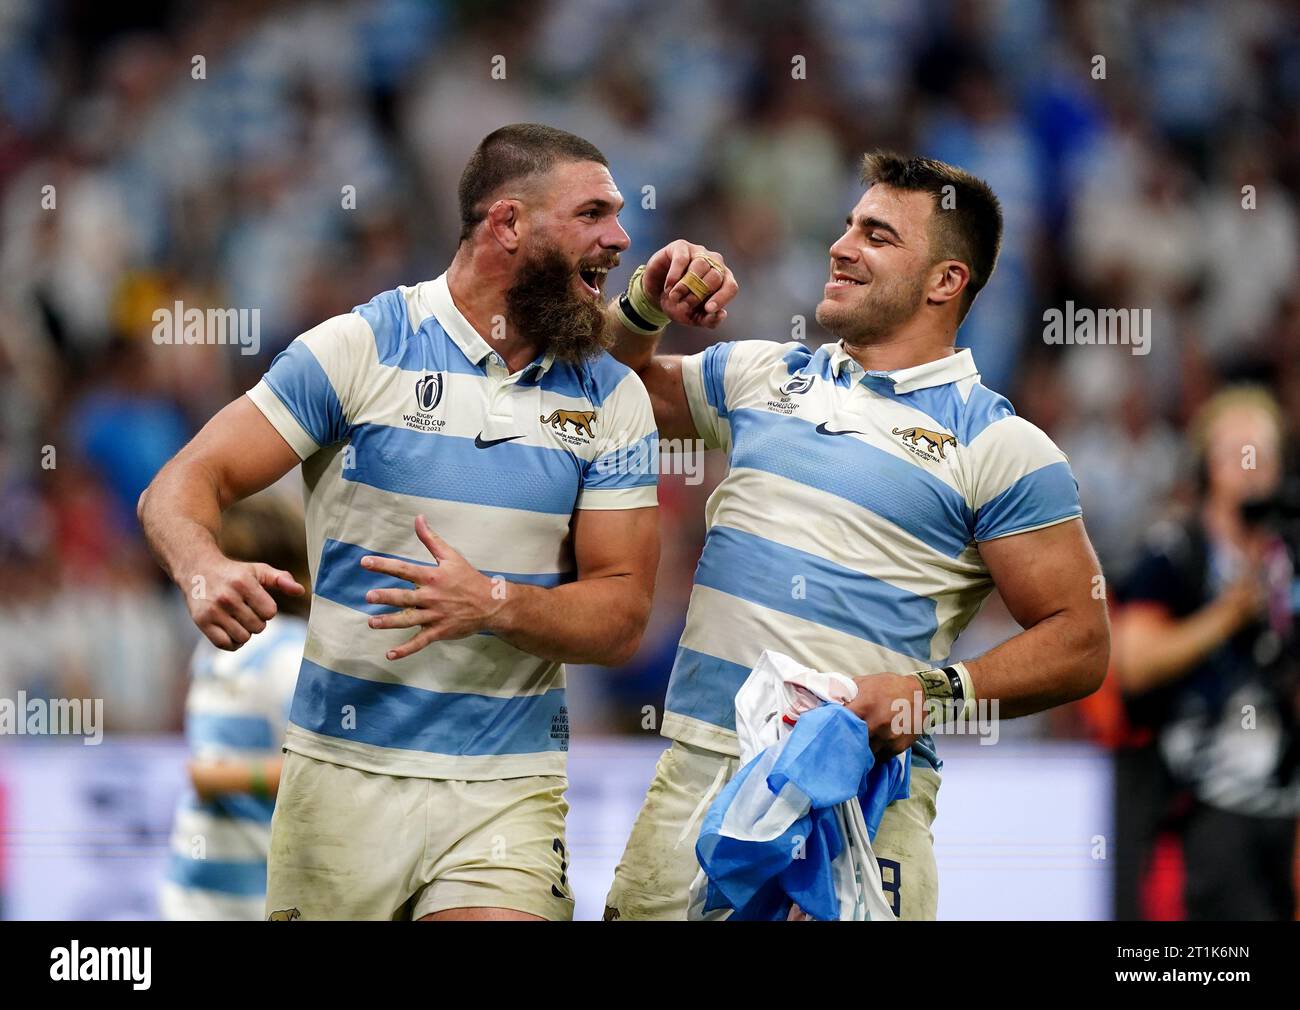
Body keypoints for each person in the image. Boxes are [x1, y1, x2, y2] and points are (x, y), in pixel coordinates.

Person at [138, 123, 724, 921]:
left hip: (504, 790)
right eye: (593, 214)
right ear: (507, 224)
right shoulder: (360, 349)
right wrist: (203, 566)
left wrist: (495, 602)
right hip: (343, 778)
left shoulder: (609, 396)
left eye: (617, 215)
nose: (621, 238)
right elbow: (183, 483)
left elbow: (623, 616)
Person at [602, 151, 1110, 920]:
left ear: (946, 281)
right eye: (847, 226)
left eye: (876, 235)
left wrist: (927, 695)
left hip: (861, 803)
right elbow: (602, 391)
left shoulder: (1001, 447)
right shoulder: (764, 374)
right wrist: (645, 301)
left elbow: (1081, 640)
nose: (840, 247)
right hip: (700, 771)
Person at [1114, 386, 1299, 920]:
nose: (1252, 469)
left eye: (1264, 455)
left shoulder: (1290, 553)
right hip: (1203, 809)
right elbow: (1135, 661)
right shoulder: (1177, 552)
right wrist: (1228, 616)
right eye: (1238, 453)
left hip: (1287, 808)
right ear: (1206, 467)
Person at [159, 492, 309, 921]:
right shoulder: (210, 649)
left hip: (257, 898)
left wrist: (227, 777)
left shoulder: (287, 655)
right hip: (192, 893)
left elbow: (319, 771)